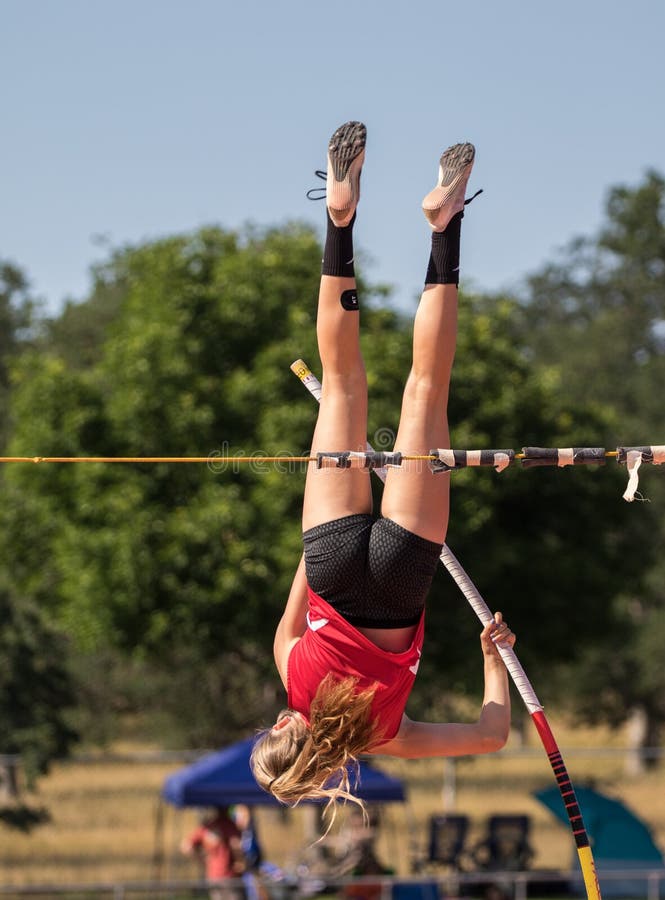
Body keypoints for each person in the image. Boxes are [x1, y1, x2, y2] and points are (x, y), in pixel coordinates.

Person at [250, 121, 516, 810]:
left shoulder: (385, 736)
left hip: (400, 582)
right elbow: (301, 584)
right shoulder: (288, 668)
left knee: (426, 389)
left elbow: (491, 736)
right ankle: (339, 219)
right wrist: (333, 504)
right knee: (341, 382)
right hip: (331, 559)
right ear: (280, 727)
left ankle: (445, 226)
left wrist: (492, 658)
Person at [180, 806, 245, 899]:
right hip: (229, 875)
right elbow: (235, 844)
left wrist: (202, 858)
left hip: (213, 876)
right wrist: (240, 861)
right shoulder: (229, 825)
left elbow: (186, 847)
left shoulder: (207, 827)